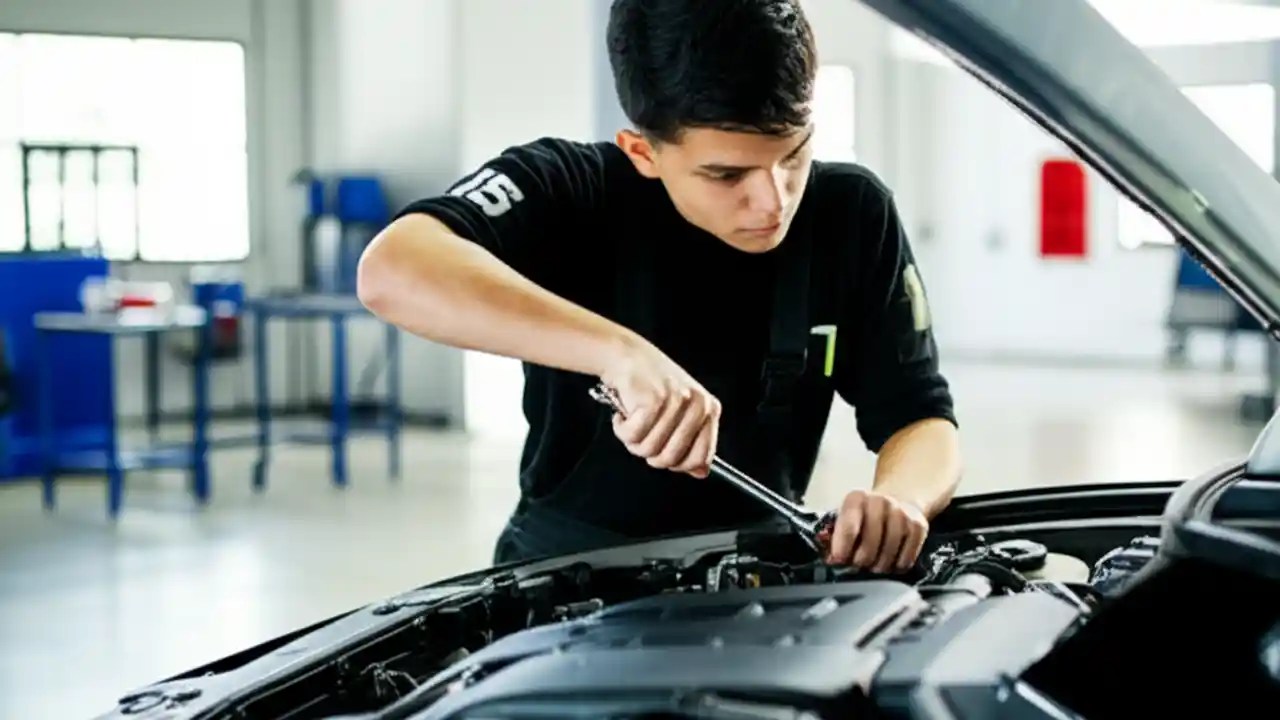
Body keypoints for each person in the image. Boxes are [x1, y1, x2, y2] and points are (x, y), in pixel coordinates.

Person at [357, 0, 962, 572]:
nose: (772, 201)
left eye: (793, 156)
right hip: (568, 578)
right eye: (727, 174)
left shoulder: (853, 215)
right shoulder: (573, 192)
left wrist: (902, 500)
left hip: (758, 577)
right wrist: (617, 353)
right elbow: (392, 270)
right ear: (643, 152)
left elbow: (922, 416)